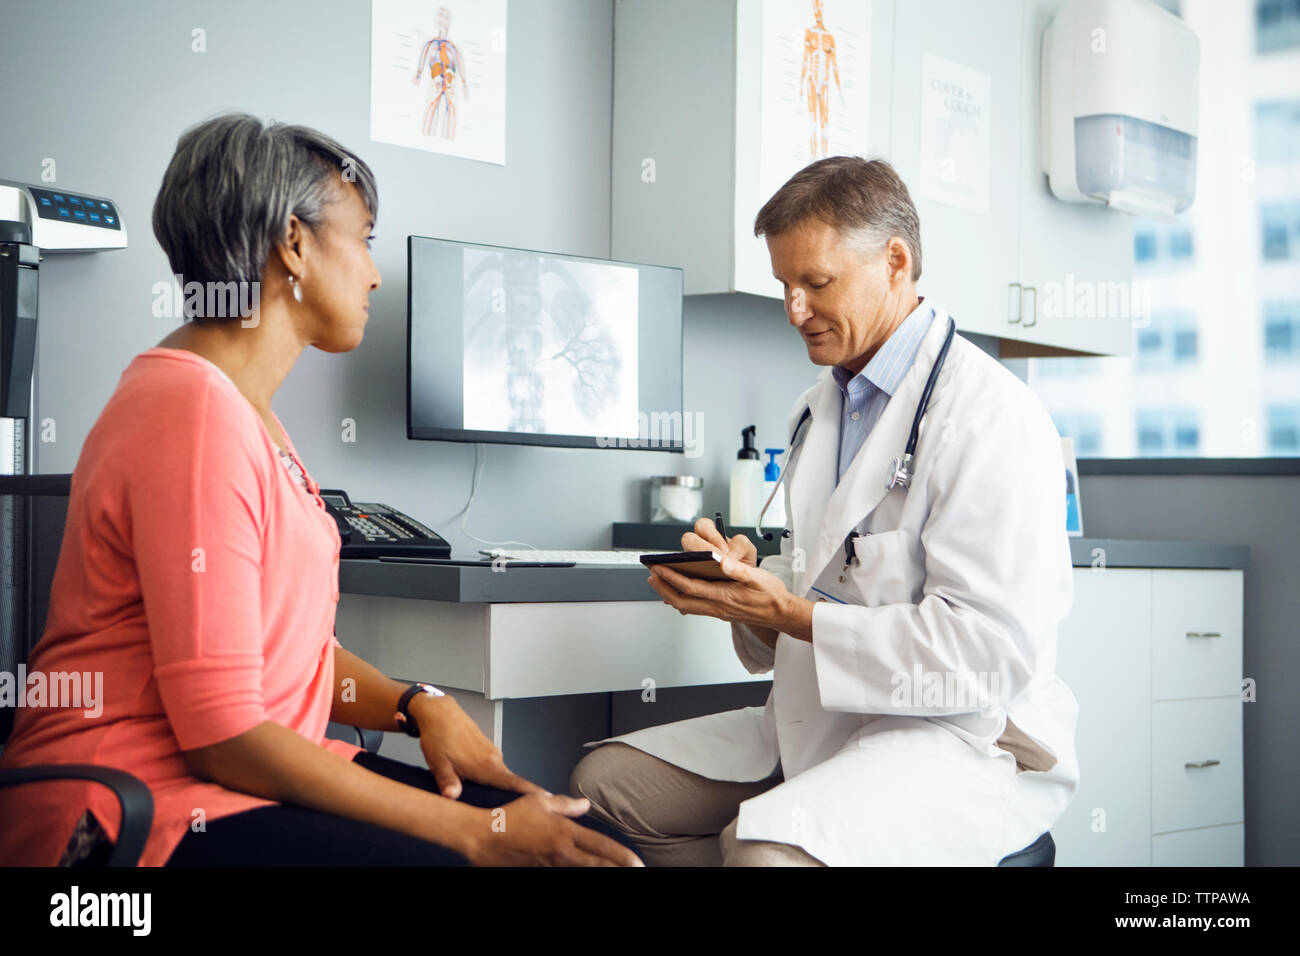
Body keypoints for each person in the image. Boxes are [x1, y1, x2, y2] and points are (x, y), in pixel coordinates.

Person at [0, 113, 641, 868]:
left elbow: (289, 657)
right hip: (134, 809)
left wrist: (414, 703)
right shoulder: (195, 415)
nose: (373, 272)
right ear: (292, 243)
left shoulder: (241, 409)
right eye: (364, 238)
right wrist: (476, 835)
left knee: (592, 845)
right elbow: (223, 734)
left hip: (240, 779)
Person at [570, 156, 1079, 866]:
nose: (794, 310)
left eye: (816, 282)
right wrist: (747, 593)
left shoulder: (993, 416)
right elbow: (824, 582)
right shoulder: (819, 410)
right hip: (820, 722)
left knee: (761, 850)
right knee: (599, 792)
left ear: (895, 262)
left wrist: (790, 615)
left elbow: (985, 658)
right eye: (784, 285)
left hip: (958, 740)